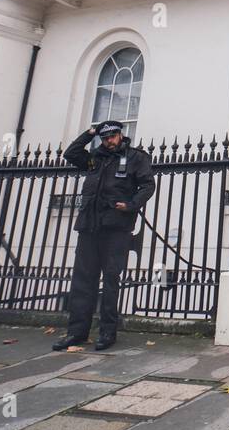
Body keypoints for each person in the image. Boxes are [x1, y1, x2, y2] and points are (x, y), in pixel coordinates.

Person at [53, 120, 155, 351]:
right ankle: (76, 333)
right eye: (104, 137)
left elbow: (148, 186)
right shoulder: (94, 158)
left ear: (120, 135)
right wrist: (90, 133)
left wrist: (130, 205)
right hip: (89, 225)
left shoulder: (135, 157)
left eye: (112, 136)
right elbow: (71, 153)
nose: (108, 141)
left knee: (111, 280)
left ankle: (107, 332)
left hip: (116, 226)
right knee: (82, 280)